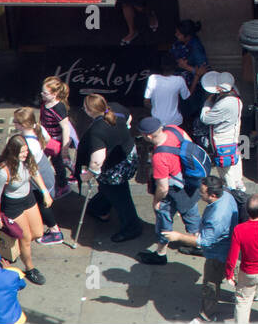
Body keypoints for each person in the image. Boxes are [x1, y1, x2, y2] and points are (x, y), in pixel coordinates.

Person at [160, 175, 239, 323]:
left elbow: (204, 242)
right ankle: (247, 292)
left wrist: (178, 237)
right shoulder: (226, 195)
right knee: (234, 272)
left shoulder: (217, 217)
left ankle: (207, 315)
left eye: (202, 192)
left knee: (211, 284)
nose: (199, 194)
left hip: (218, 254)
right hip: (230, 248)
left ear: (213, 195)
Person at [136, 117, 204, 265]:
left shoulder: (160, 157)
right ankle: (199, 244)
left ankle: (160, 253)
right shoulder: (174, 129)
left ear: (148, 136)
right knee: (192, 213)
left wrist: (156, 201)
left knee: (164, 218)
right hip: (190, 183)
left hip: (173, 190)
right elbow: (190, 145)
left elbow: (163, 187)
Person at [77, 93, 142, 242]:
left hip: (114, 170)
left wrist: (88, 174)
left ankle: (132, 227)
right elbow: (129, 118)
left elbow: (97, 162)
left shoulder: (97, 130)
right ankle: (98, 207)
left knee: (121, 198)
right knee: (110, 190)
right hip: (128, 157)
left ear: (89, 111)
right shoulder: (116, 108)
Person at [0, 134, 51, 285]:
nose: (25, 155)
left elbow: (35, 173)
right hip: (13, 205)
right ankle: (30, 268)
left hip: (28, 199)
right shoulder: (3, 171)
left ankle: (17, 248)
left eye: (26, 151)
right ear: (13, 152)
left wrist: (45, 192)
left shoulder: (27, 160)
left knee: (37, 233)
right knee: (26, 239)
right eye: (21, 152)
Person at [12, 108, 64, 246]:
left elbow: (31, 169)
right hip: (45, 168)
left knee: (43, 204)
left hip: (39, 177)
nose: (13, 123)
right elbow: (46, 140)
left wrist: (43, 190)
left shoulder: (29, 145)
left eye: (15, 122)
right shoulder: (38, 128)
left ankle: (55, 231)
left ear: (23, 124)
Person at [199, 71, 245, 191]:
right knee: (235, 160)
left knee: (226, 169)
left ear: (220, 88)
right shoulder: (235, 94)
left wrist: (207, 102)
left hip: (222, 139)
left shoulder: (224, 104)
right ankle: (239, 182)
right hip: (233, 134)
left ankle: (232, 191)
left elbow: (205, 118)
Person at [38, 77, 77, 198]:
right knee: (61, 160)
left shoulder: (58, 107)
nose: (42, 94)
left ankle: (63, 186)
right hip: (47, 137)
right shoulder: (45, 102)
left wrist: (64, 147)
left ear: (54, 94)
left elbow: (66, 128)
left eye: (45, 93)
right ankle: (75, 170)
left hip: (57, 140)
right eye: (42, 91)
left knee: (58, 163)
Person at [170, 19, 209, 118]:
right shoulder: (180, 44)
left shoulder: (196, 48)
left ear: (187, 36)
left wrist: (186, 67)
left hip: (194, 85)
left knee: (192, 111)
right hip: (184, 82)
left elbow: (203, 71)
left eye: (178, 34)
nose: (176, 35)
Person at [143, 55, 191, 129]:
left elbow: (146, 102)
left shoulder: (152, 78)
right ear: (175, 66)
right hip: (175, 122)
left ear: (161, 66)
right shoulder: (179, 80)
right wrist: (197, 77)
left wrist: (155, 109)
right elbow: (187, 97)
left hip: (157, 122)